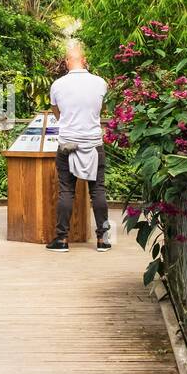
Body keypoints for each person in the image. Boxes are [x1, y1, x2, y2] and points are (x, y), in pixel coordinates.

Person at [46, 39, 110, 251]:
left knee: (66, 191)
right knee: (97, 190)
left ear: (66, 62)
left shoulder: (57, 85)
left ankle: (62, 240)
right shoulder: (100, 83)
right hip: (93, 143)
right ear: (84, 60)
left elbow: (58, 114)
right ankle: (103, 239)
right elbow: (101, 109)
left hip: (68, 143)